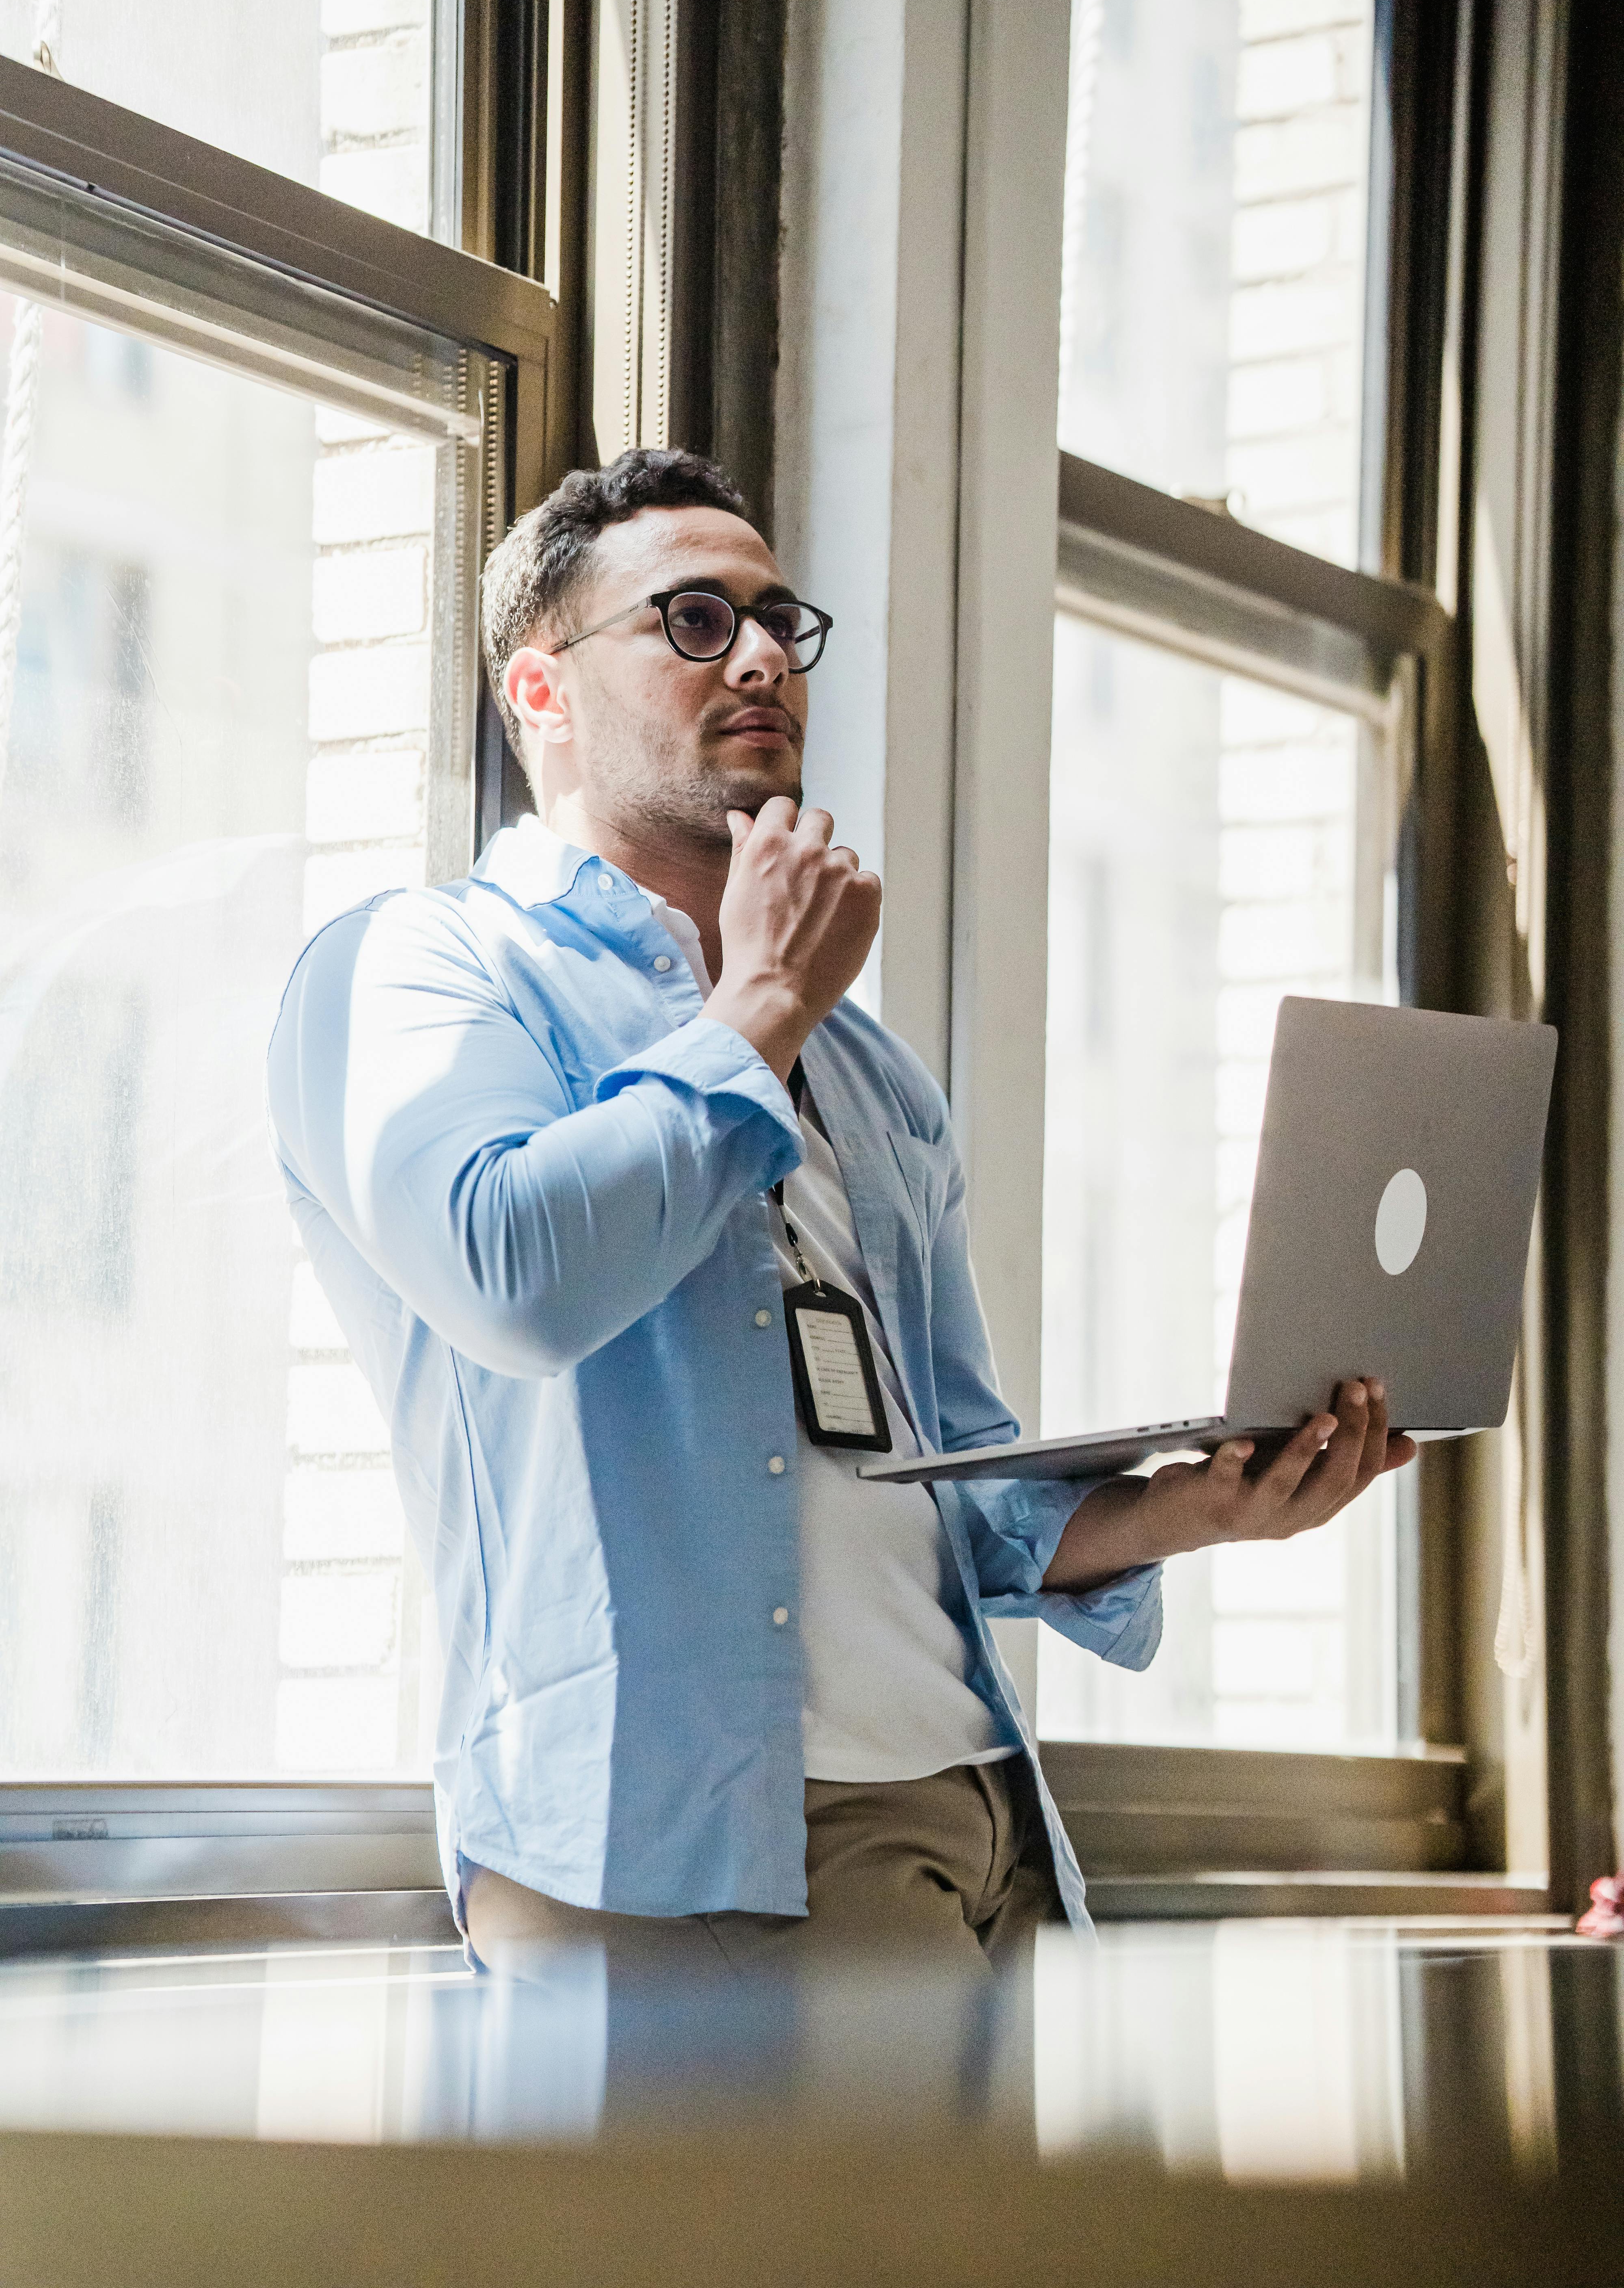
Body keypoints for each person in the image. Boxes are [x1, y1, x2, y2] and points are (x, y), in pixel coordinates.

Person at [266, 447, 1414, 1973]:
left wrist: (1199, 1504)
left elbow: (957, 1478)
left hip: (984, 1820)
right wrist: (758, 1007)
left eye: (775, 621)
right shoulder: (421, 964)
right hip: (690, 1854)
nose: (757, 657)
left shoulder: (866, 1067)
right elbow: (514, 1277)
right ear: (539, 694)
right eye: (689, 619)